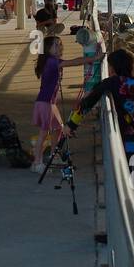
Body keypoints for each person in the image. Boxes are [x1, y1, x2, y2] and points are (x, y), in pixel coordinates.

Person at [31, 35, 101, 174]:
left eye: (60, 44)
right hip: (45, 103)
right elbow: (74, 62)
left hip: (50, 103)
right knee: (43, 134)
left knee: (59, 128)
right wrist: (93, 58)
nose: (59, 47)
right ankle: (37, 163)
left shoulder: (52, 60)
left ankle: (53, 155)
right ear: (47, 49)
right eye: (56, 45)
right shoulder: (51, 62)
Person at [68, 49, 134, 155]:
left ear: (113, 68)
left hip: (119, 132)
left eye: (109, 66)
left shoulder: (110, 83)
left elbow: (88, 103)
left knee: (119, 165)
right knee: (132, 165)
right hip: (133, 130)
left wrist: (71, 125)